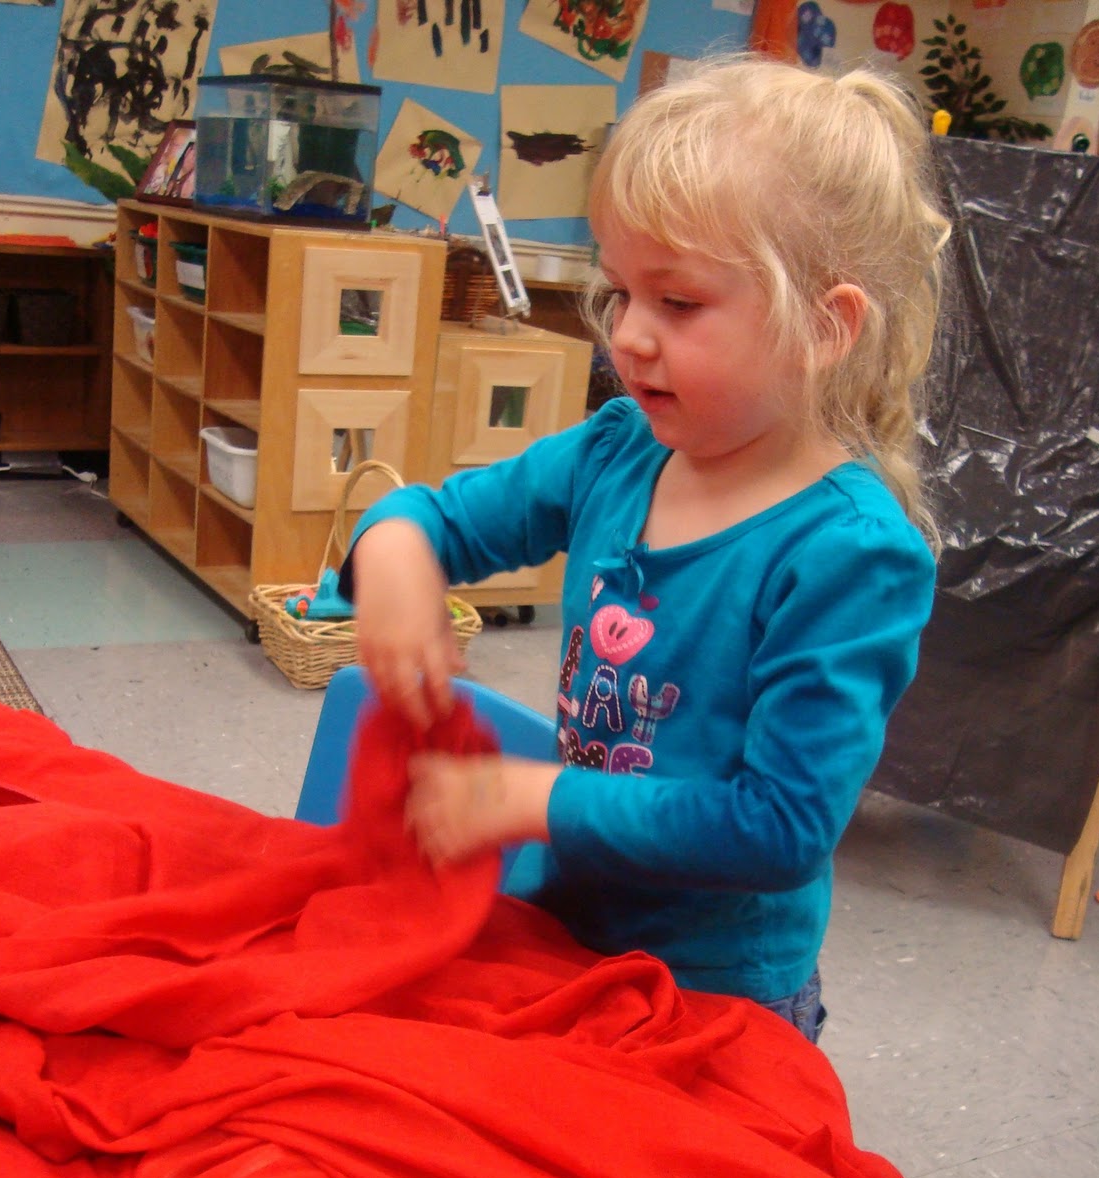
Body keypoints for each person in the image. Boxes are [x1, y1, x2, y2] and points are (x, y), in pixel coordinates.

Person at [346, 53, 950, 1042]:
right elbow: (434, 518)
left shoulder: (850, 554)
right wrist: (399, 553)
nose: (626, 335)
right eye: (621, 292)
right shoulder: (618, 451)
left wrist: (529, 796)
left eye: (678, 303)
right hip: (569, 934)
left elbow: (780, 828)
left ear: (823, 327)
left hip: (717, 999)